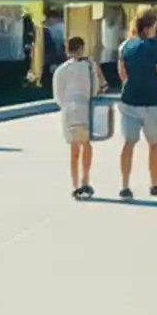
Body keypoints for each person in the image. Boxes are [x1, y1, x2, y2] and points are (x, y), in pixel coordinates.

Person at [117, 9, 157, 200]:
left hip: (129, 99)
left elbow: (122, 74)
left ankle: (124, 186)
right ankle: (154, 184)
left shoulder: (125, 46)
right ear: (151, 27)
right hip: (151, 100)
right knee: (154, 144)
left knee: (128, 143)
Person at [54, 36, 105, 200]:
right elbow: (95, 88)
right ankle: (86, 179)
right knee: (86, 145)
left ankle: (74, 183)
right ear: (82, 48)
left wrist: (66, 105)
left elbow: (58, 94)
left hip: (69, 110)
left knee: (73, 148)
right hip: (85, 108)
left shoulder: (61, 70)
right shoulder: (90, 66)